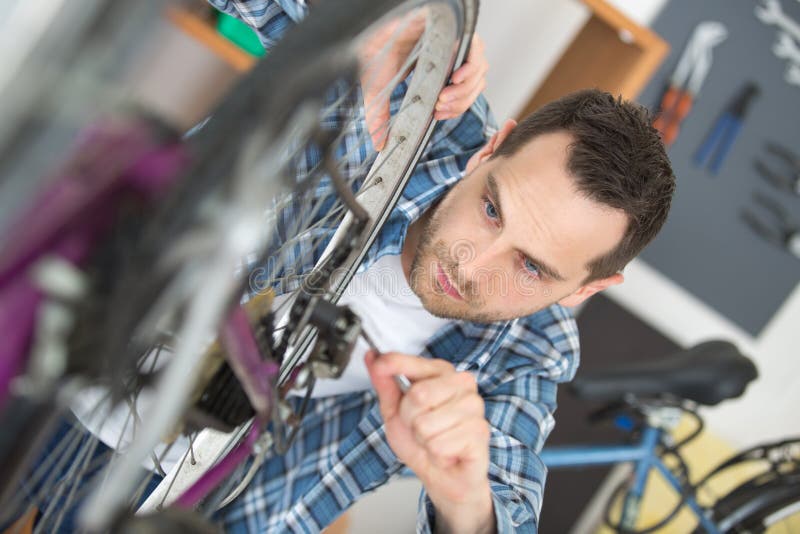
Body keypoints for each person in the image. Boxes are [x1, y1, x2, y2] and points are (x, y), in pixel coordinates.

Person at [206, 1, 675, 533]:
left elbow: (507, 507)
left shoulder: (532, 349)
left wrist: (468, 505)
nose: (473, 263)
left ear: (586, 289)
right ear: (491, 150)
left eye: (531, 267)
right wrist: (365, 20)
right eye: (492, 209)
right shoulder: (417, 104)